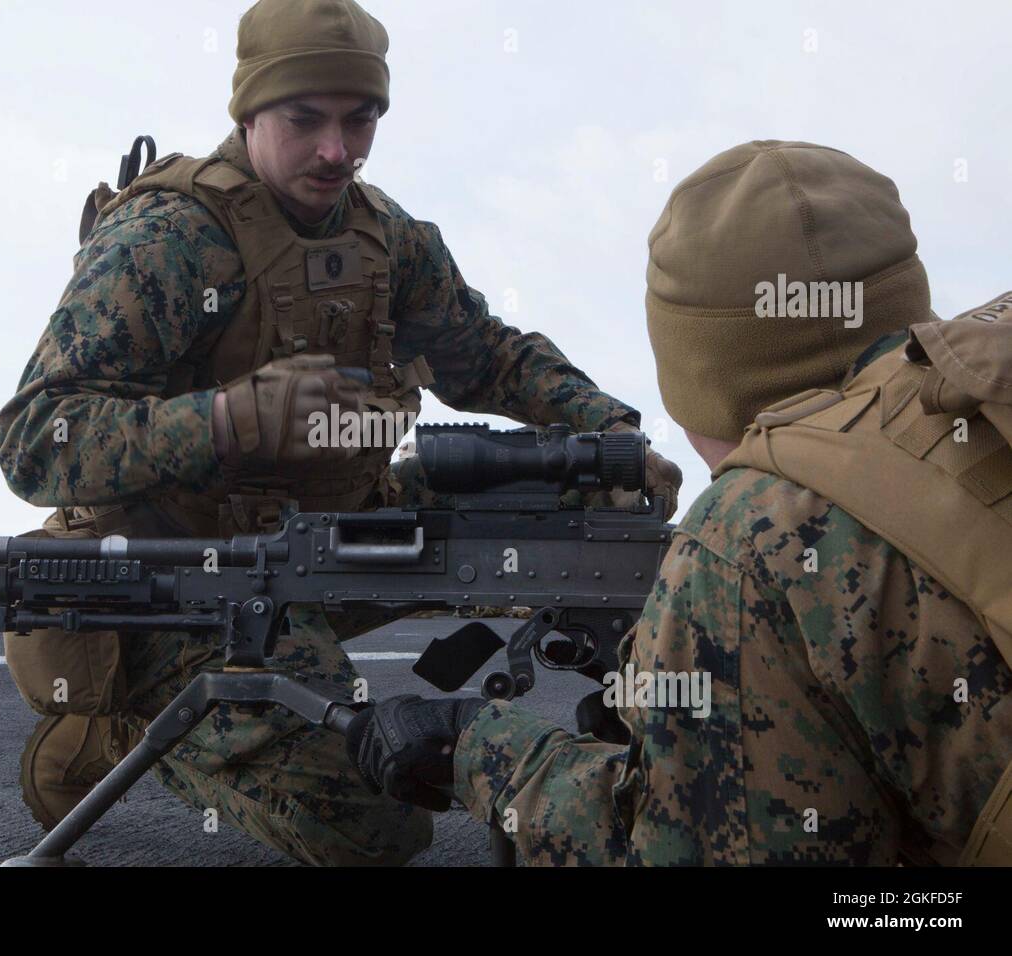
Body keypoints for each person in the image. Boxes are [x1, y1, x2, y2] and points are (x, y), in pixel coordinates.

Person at [0, 0, 681, 865]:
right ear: (248, 113)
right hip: (193, 575)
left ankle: (672, 751)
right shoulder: (169, 238)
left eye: (360, 121)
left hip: (348, 527)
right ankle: (120, 730)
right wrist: (224, 420)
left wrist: (609, 433)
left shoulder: (386, 238)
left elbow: (488, 357)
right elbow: (35, 439)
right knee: (378, 825)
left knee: (592, 509)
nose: (337, 150)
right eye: (305, 119)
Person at [347, 140, 1012, 865]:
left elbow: (685, 851)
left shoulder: (748, 537)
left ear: (704, 386)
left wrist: (481, 750)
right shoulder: (985, 374)